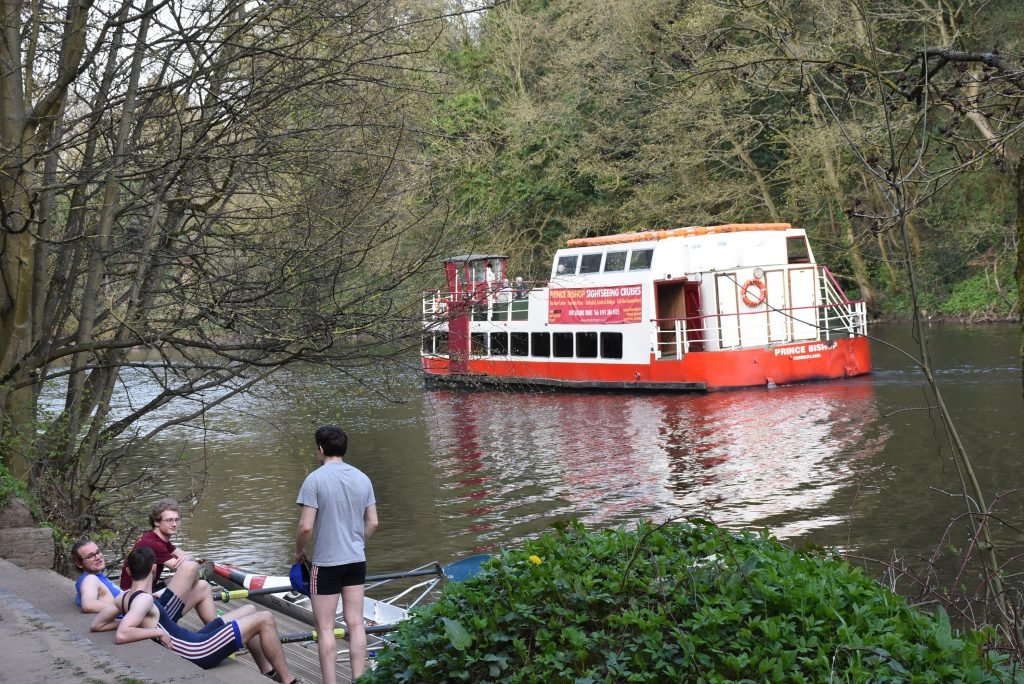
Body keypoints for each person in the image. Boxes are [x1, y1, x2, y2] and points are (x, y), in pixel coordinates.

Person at [93, 547, 297, 682]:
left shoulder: (125, 597)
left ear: (129, 571)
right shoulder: (144, 600)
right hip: (197, 651)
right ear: (154, 570)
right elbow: (122, 634)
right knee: (265, 619)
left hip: (194, 640)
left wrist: (141, 626)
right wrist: (156, 633)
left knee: (250, 610)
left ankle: (268, 672)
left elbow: (97, 625)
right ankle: (288, 681)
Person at [295, 425, 378, 682]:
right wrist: (356, 541)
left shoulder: (315, 479)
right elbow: (373, 522)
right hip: (356, 560)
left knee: (326, 628)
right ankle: (360, 679)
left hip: (327, 563)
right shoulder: (363, 478)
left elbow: (306, 526)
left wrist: (299, 551)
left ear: (320, 449)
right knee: (355, 623)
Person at [118, 499, 217, 623]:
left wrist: (188, 559)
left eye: (177, 519)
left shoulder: (156, 538)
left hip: (144, 593)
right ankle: (200, 576)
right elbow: (184, 569)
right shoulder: (152, 543)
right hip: (138, 603)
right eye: (169, 520)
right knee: (193, 575)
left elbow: (186, 555)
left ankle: (215, 627)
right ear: (156, 522)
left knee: (202, 585)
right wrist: (190, 564)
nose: (174, 524)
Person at [72, 538, 122, 613]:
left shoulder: (97, 577)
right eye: (91, 556)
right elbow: (88, 605)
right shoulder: (90, 579)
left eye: (98, 552)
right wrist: (126, 609)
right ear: (79, 564)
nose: (98, 557)